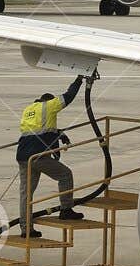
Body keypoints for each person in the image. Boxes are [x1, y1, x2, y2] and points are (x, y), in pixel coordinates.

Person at [15, 75, 87, 237]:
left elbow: (41, 131)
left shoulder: (29, 110)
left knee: (26, 193)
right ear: (49, 101)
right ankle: (66, 209)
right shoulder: (49, 106)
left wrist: (60, 136)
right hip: (38, 156)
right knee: (65, 175)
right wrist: (79, 80)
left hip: (23, 156)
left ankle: (26, 229)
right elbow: (68, 96)